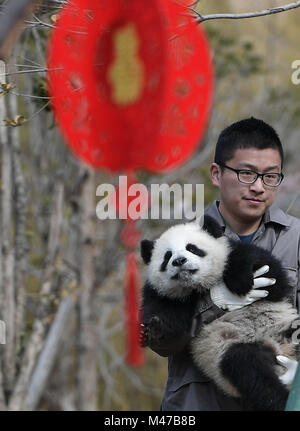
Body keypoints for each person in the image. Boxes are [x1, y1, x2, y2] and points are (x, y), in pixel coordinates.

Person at [148, 117, 300, 411]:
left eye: (270, 176)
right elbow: (163, 342)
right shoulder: (177, 244)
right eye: (246, 173)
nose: (258, 187)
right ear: (216, 174)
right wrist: (214, 304)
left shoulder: (297, 238)